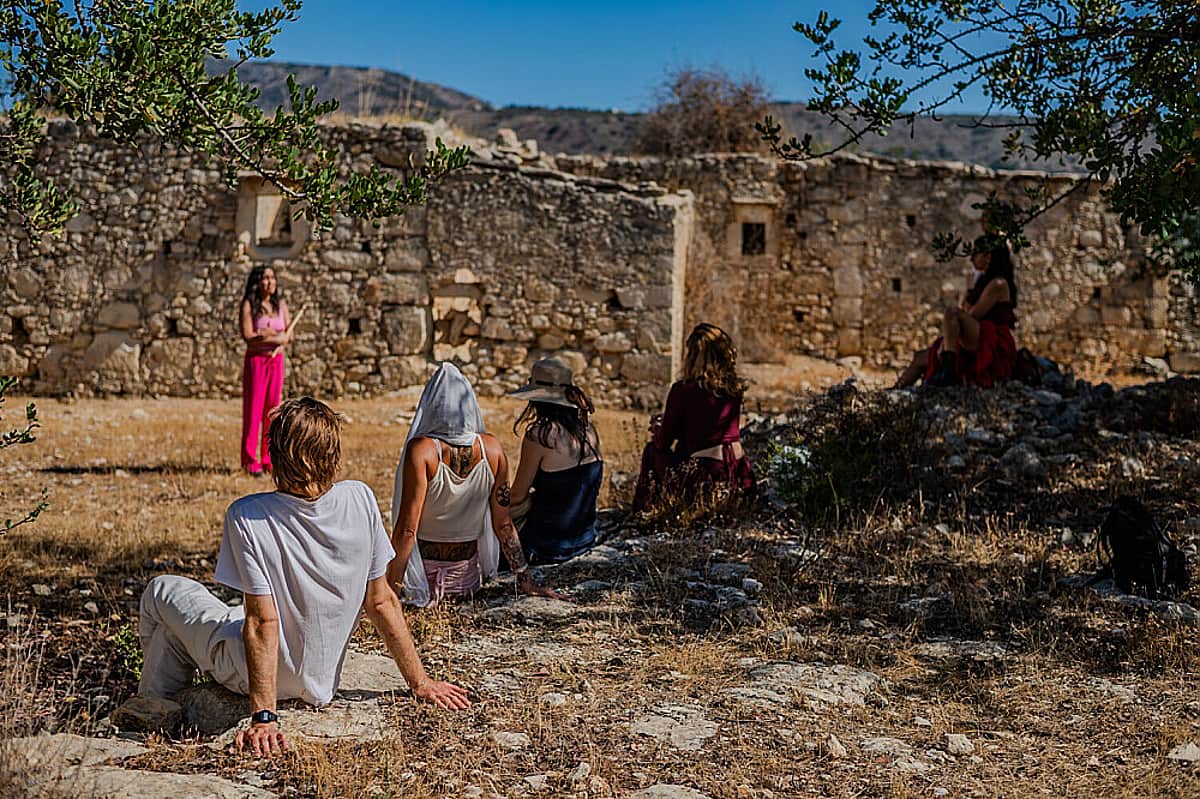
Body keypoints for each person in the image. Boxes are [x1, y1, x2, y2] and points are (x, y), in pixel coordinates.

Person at [136, 397, 469, 758]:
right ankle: (155, 703)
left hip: (254, 673)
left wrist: (264, 717)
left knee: (161, 589)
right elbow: (382, 601)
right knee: (174, 634)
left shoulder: (247, 516)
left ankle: (146, 709)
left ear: (275, 456)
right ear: (333, 454)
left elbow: (262, 622)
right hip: (322, 682)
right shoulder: (360, 498)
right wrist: (420, 682)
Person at [389, 363, 564, 606]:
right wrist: (525, 579)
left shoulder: (422, 451)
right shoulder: (492, 449)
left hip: (421, 582)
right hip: (467, 582)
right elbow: (503, 523)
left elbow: (407, 530)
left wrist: (390, 590)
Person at [632, 323, 755, 512]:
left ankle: (644, 513)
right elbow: (708, 429)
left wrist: (658, 427)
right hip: (740, 475)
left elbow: (664, 443)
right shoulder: (733, 388)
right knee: (682, 449)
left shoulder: (683, 390)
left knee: (652, 451)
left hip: (705, 476)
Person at [507, 358, 603, 565]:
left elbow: (517, 495)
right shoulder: (589, 430)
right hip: (585, 540)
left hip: (547, 547)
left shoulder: (540, 435)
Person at [924, 236, 1019, 387]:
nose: (971, 259)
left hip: (991, 339)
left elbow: (974, 315)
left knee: (951, 312)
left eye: (975, 254)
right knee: (921, 358)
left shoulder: (998, 284)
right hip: (977, 333)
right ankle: (895, 392)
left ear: (988, 256)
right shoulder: (982, 282)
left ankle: (949, 371)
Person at [239, 265, 291, 476]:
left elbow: (289, 334)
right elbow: (248, 336)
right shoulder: (249, 305)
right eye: (265, 278)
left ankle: (269, 459)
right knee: (254, 411)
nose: (270, 282)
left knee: (272, 411)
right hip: (257, 360)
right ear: (257, 282)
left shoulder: (281, 305)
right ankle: (250, 460)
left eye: (272, 277)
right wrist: (273, 337)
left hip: (276, 361)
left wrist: (271, 336)